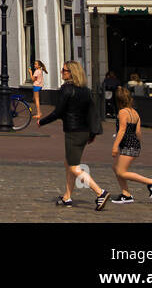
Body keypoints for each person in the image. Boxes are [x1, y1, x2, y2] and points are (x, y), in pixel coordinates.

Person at [37, 60, 109, 210]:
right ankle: (67, 197)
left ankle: (100, 192)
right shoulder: (86, 90)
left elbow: (58, 112)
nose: (62, 73)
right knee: (69, 163)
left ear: (72, 73)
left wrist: (42, 122)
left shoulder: (67, 89)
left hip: (73, 132)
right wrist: (93, 132)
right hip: (84, 131)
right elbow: (91, 113)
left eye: (64, 71)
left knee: (74, 167)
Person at [110, 86, 152, 203]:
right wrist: (139, 143)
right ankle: (126, 194)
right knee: (116, 168)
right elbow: (138, 132)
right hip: (134, 144)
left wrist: (115, 146)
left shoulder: (122, 112)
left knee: (121, 171)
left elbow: (122, 130)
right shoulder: (135, 113)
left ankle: (150, 182)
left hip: (127, 145)